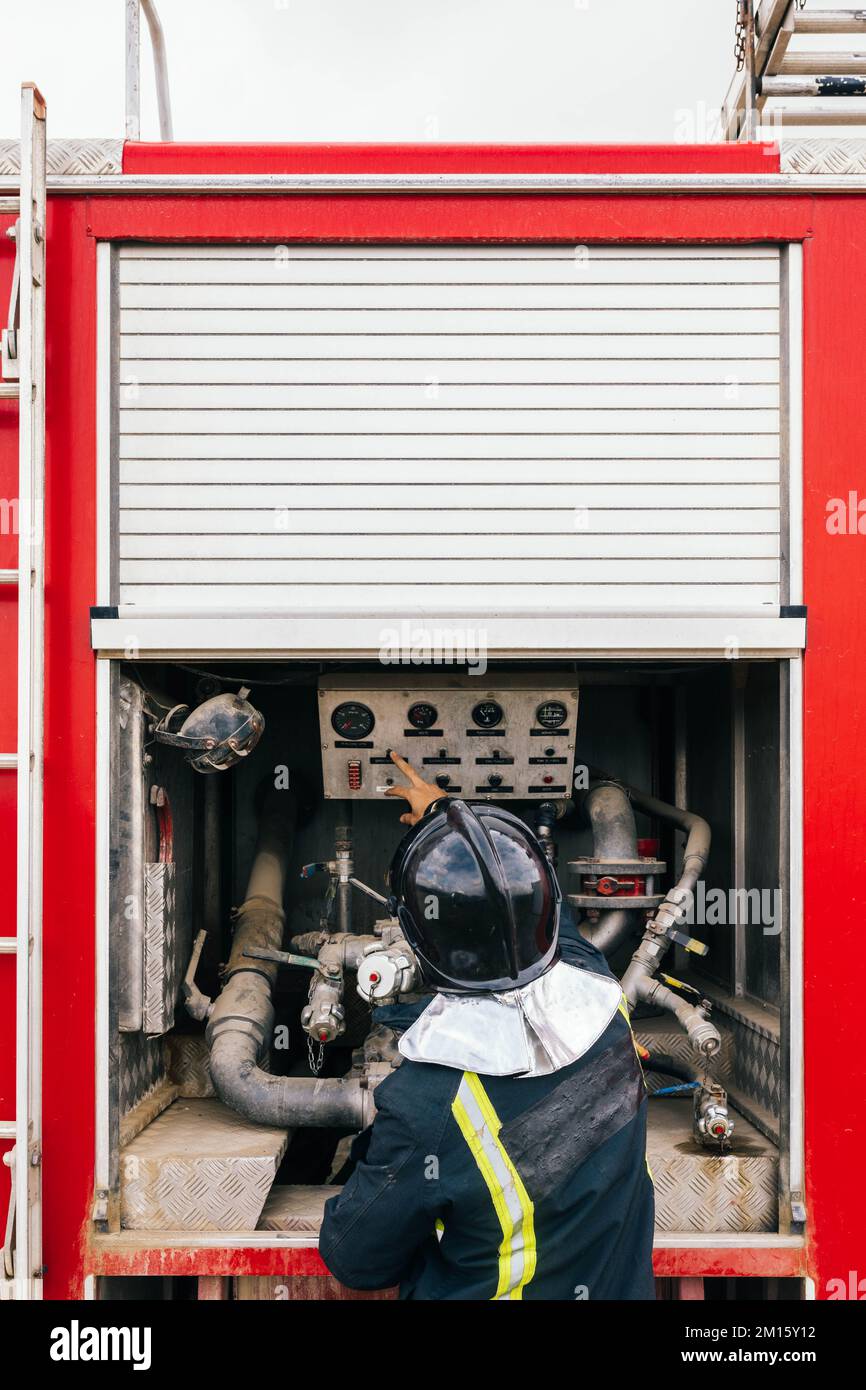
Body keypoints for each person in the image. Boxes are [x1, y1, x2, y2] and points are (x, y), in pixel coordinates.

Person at [318, 751, 655, 1300]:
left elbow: (356, 1259)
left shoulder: (429, 1106)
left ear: (421, 944)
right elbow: (539, 918)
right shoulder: (602, 1001)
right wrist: (450, 818)